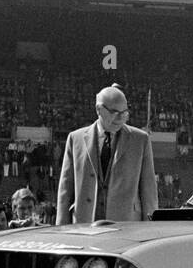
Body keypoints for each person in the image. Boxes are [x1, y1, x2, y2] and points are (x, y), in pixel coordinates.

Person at [56, 84, 158, 225]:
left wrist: (150, 229)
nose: (120, 118)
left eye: (125, 113)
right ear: (99, 109)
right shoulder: (75, 139)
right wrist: (61, 230)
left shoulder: (141, 140)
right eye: (114, 112)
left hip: (127, 226)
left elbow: (149, 192)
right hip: (84, 226)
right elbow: (65, 191)